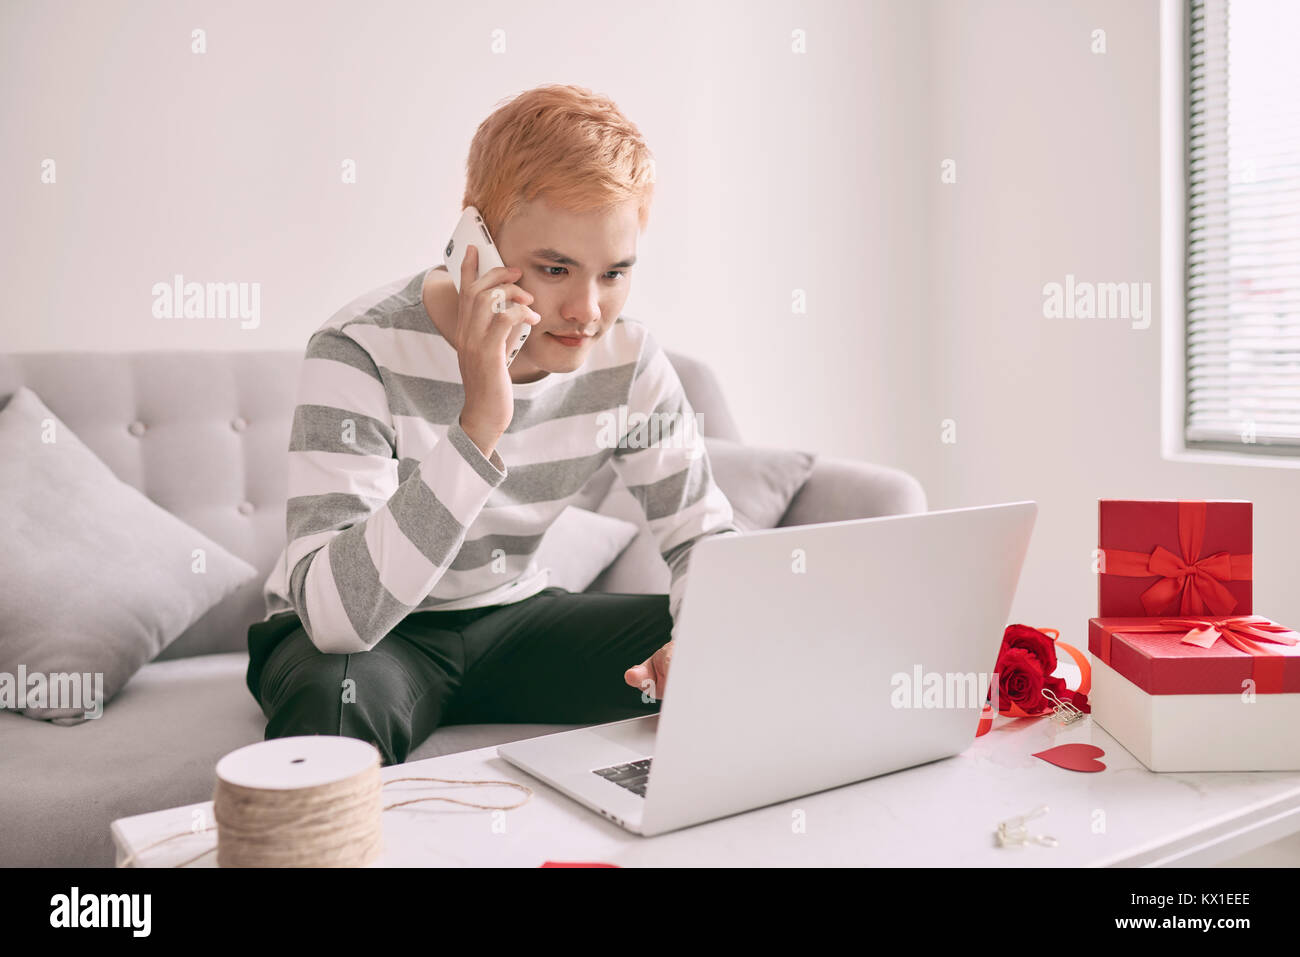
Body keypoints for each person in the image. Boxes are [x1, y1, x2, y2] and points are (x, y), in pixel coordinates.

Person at [246, 83, 742, 766]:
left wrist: (702, 643)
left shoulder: (627, 360)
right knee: (333, 705)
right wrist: (479, 423)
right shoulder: (358, 347)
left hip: (512, 617)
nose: (587, 311)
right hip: (367, 639)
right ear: (471, 243)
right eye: (556, 268)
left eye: (614, 272)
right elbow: (338, 616)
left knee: (743, 642)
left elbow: (703, 537)